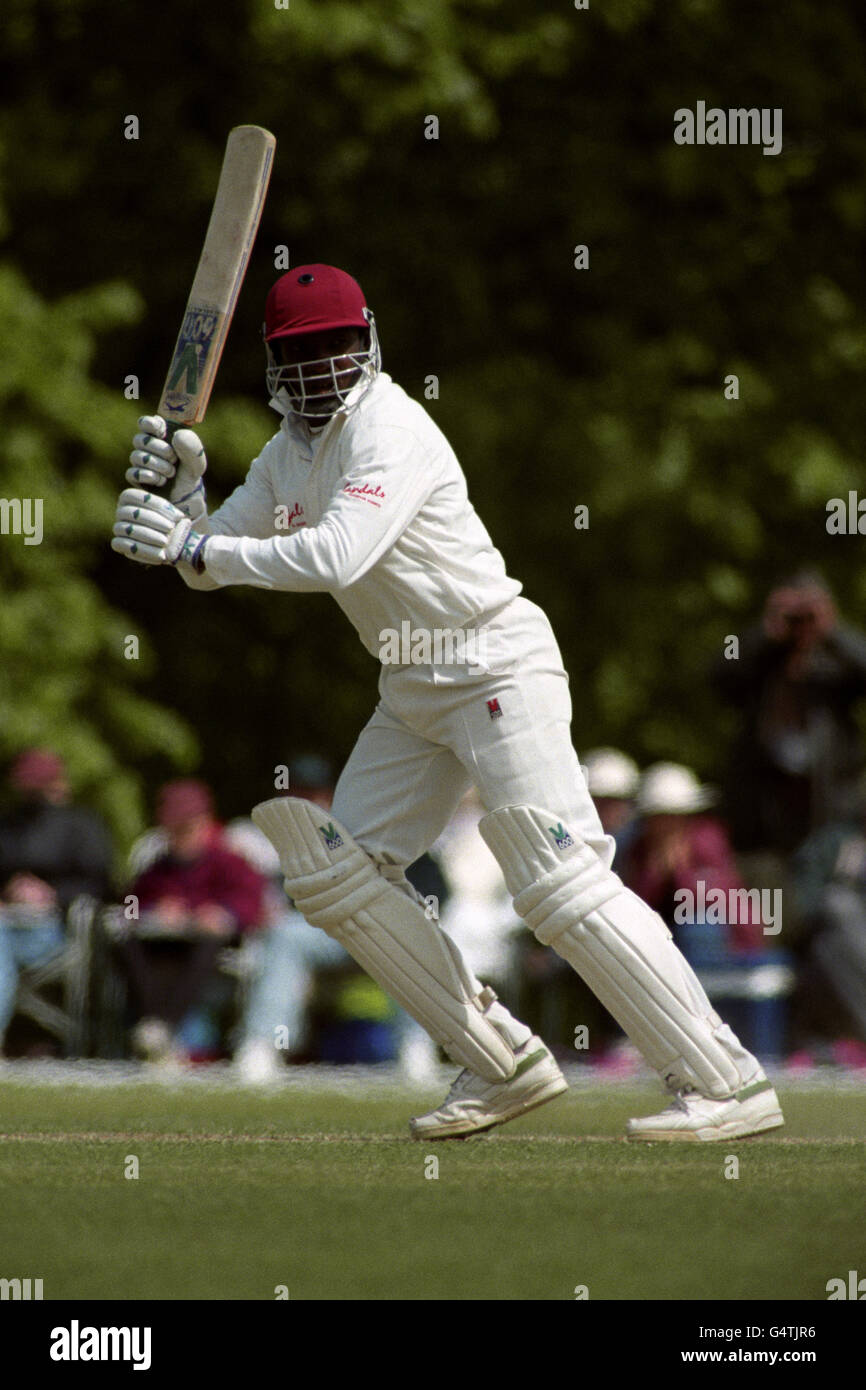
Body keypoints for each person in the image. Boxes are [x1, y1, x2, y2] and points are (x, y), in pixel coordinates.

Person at [111, 263, 783, 1141]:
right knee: (334, 872)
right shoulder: (287, 454)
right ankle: (501, 1060)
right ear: (276, 364)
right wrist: (184, 505)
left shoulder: (392, 426)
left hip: (494, 661)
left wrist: (195, 545)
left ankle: (724, 1082)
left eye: (339, 346)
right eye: (305, 351)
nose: (325, 364)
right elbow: (217, 560)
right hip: (412, 683)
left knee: (559, 880)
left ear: (369, 340)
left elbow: (334, 557)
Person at [117, 779, 265, 1063]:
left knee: (207, 944)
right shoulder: (158, 868)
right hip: (162, 948)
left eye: (187, 828)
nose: (180, 837)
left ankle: (161, 1028)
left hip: (212, 951)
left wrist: (223, 913)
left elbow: (250, 903)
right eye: (174, 829)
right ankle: (159, 1030)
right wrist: (153, 912)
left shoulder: (229, 861)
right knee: (128, 944)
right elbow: (130, 905)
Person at [0, 748, 113, 1055]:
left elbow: (104, 886)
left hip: (54, 931)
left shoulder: (82, 827)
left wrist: (52, 895)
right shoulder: (8, 826)